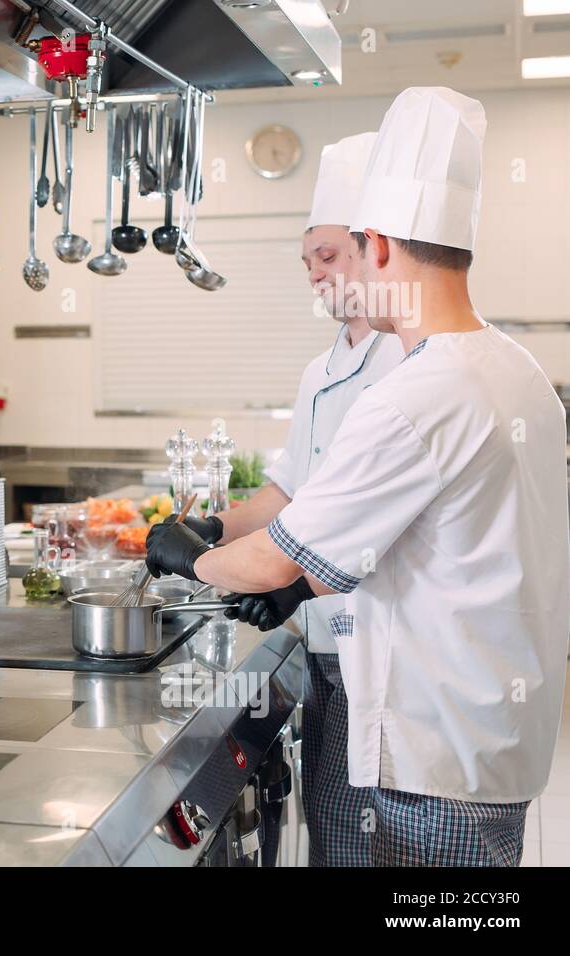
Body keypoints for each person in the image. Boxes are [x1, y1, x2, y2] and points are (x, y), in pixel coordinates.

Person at [146, 88, 570, 866]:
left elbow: (277, 554)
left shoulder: (416, 394)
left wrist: (191, 556)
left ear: (376, 246)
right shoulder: (517, 371)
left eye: (334, 254)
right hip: (488, 742)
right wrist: (287, 575)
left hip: (433, 761)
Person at [180, 132, 400, 866]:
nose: (315, 275)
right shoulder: (321, 370)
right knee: (333, 829)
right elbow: (287, 492)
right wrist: (209, 528)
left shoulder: (403, 364)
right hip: (325, 643)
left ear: (375, 247)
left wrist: (275, 578)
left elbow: (379, 527)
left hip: (383, 649)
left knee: (364, 838)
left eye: (328, 256)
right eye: (307, 262)